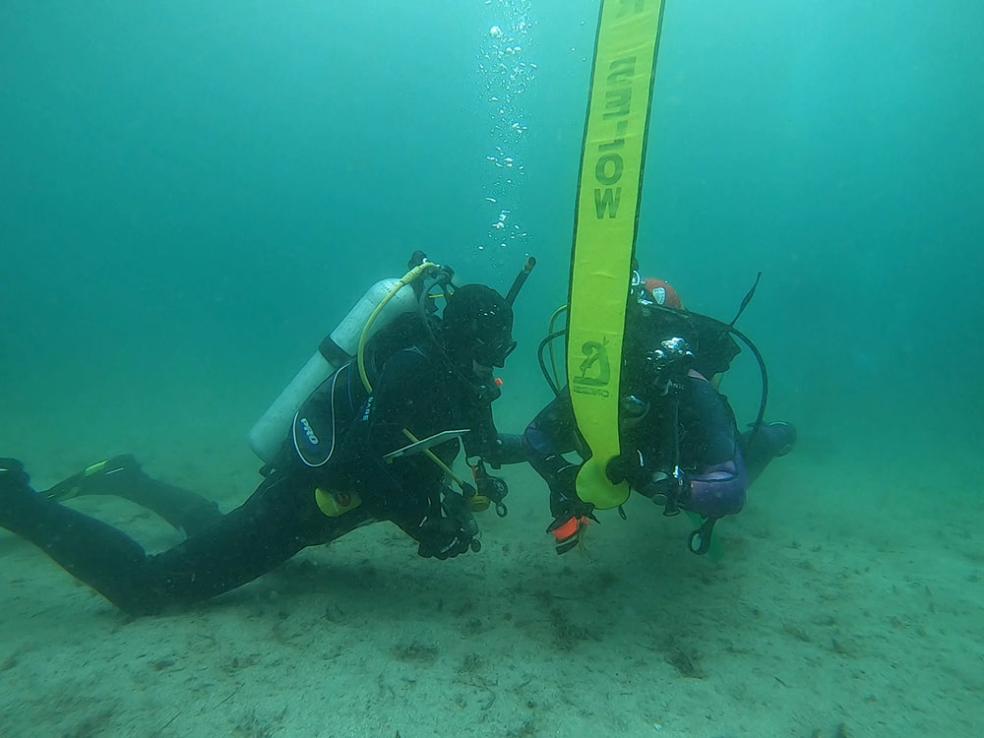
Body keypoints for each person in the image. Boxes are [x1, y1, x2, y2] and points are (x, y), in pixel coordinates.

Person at [0, 277, 519, 616]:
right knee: (148, 587)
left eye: (503, 350)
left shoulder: (462, 382)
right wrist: (422, 523)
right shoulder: (416, 369)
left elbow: (486, 446)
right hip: (299, 502)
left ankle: (126, 478)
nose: (497, 362)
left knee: (219, 529)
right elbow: (363, 460)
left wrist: (552, 455)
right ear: (469, 337)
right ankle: (13, 498)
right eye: (494, 348)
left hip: (316, 513)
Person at [524, 272, 796, 554]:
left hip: (689, 462)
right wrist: (561, 475)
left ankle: (779, 433)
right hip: (649, 466)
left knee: (752, 451)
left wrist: (674, 487)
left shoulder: (692, 391)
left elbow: (732, 492)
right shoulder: (598, 382)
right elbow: (535, 436)